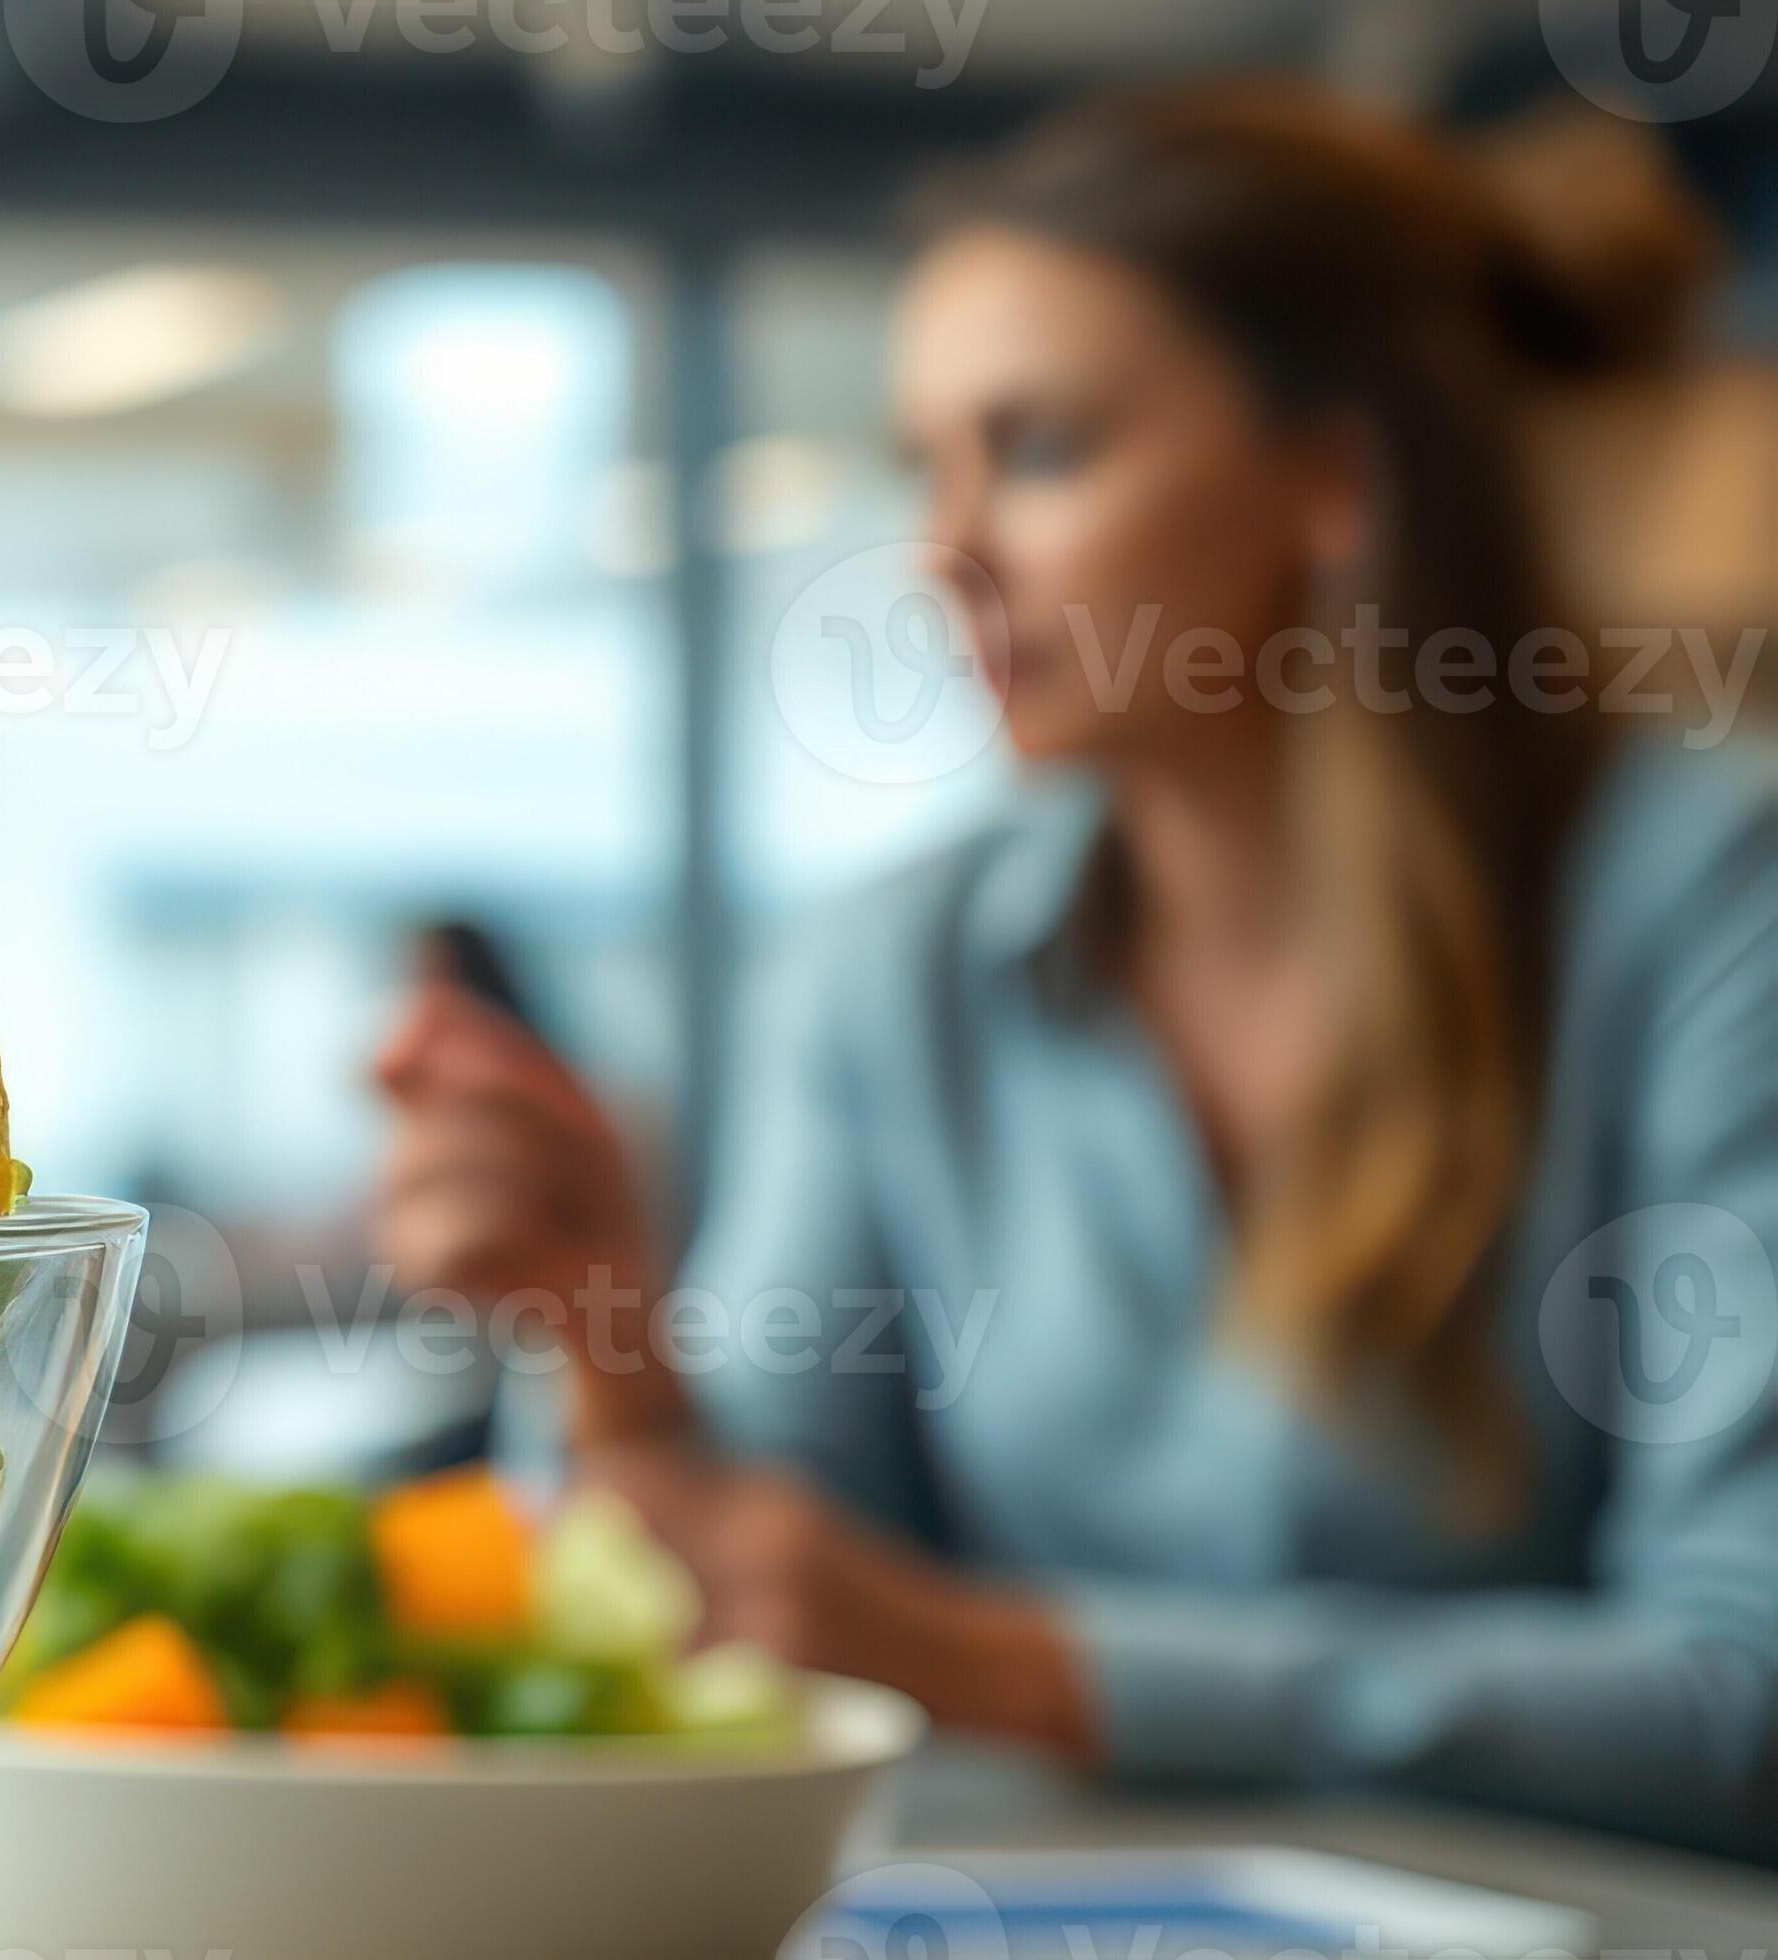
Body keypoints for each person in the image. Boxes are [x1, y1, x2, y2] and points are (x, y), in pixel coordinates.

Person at [368, 82, 1778, 1856]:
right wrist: (595, 1318)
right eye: (926, 466)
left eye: (1038, 451)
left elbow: (1743, 1695)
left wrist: (1017, 1665)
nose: (943, 557)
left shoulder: (1712, 905)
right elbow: (753, 1596)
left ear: (1337, 479)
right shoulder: (886, 973)